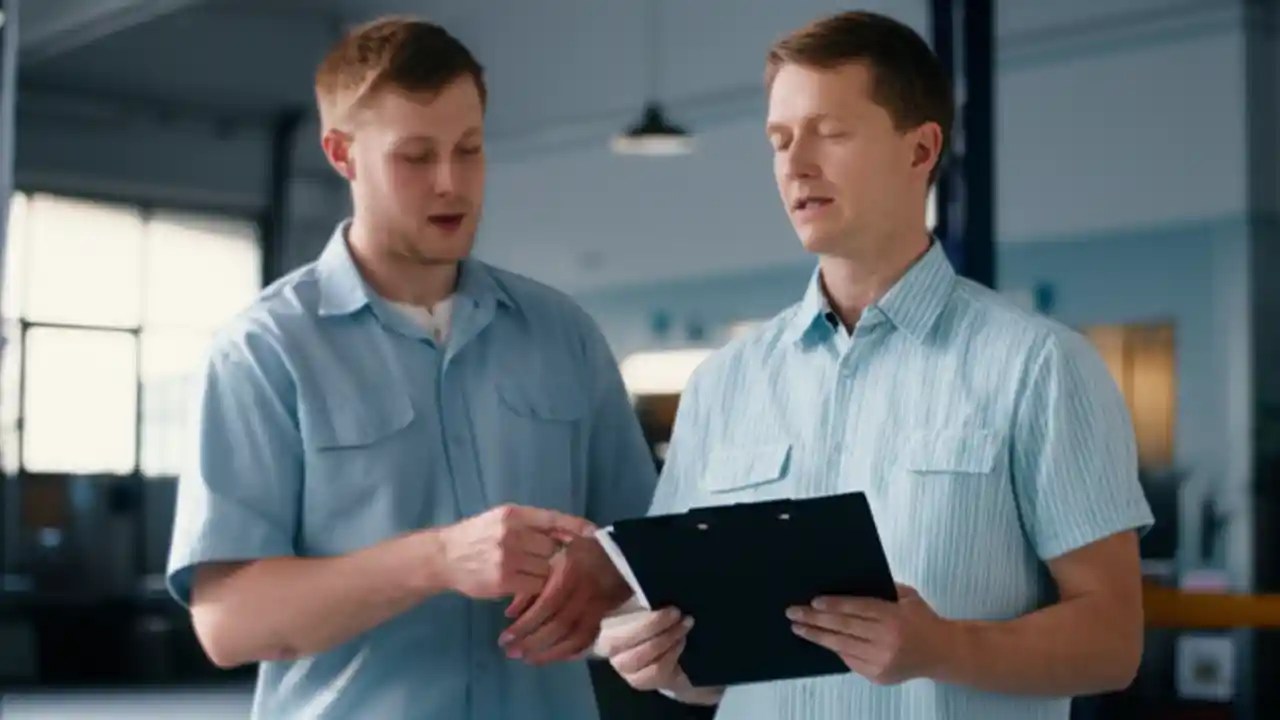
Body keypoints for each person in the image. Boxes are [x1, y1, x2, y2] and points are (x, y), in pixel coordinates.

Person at [582, 10, 1154, 719]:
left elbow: (1113, 641)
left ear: (920, 151)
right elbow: (711, 669)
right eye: (780, 140)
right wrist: (665, 662)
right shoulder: (723, 386)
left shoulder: (1039, 367)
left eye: (831, 132)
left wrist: (945, 648)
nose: (796, 164)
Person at [165, 17, 654, 720]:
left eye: (470, 149)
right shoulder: (266, 350)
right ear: (342, 154)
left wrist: (603, 572)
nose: (451, 183)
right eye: (416, 157)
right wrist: (438, 559)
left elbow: (647, 545)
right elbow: (228, 623)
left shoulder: (564, 336)